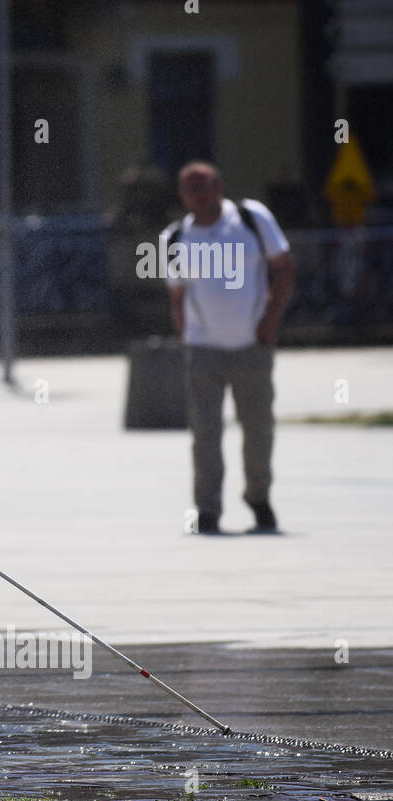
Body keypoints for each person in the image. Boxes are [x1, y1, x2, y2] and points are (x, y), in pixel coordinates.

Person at [162, 161, 294, 534]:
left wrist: (269, 322)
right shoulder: (174, 238)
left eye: (204, 186)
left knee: (259, 430)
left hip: (252, 345)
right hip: (204, 351)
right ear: (182, 196)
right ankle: (207, 510)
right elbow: (177, 294)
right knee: (205, 434)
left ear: (219, 186)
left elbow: (283, 268)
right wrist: (186, 335)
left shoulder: (252, 219)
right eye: (191, 189)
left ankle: (258, 497)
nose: (199, 195)